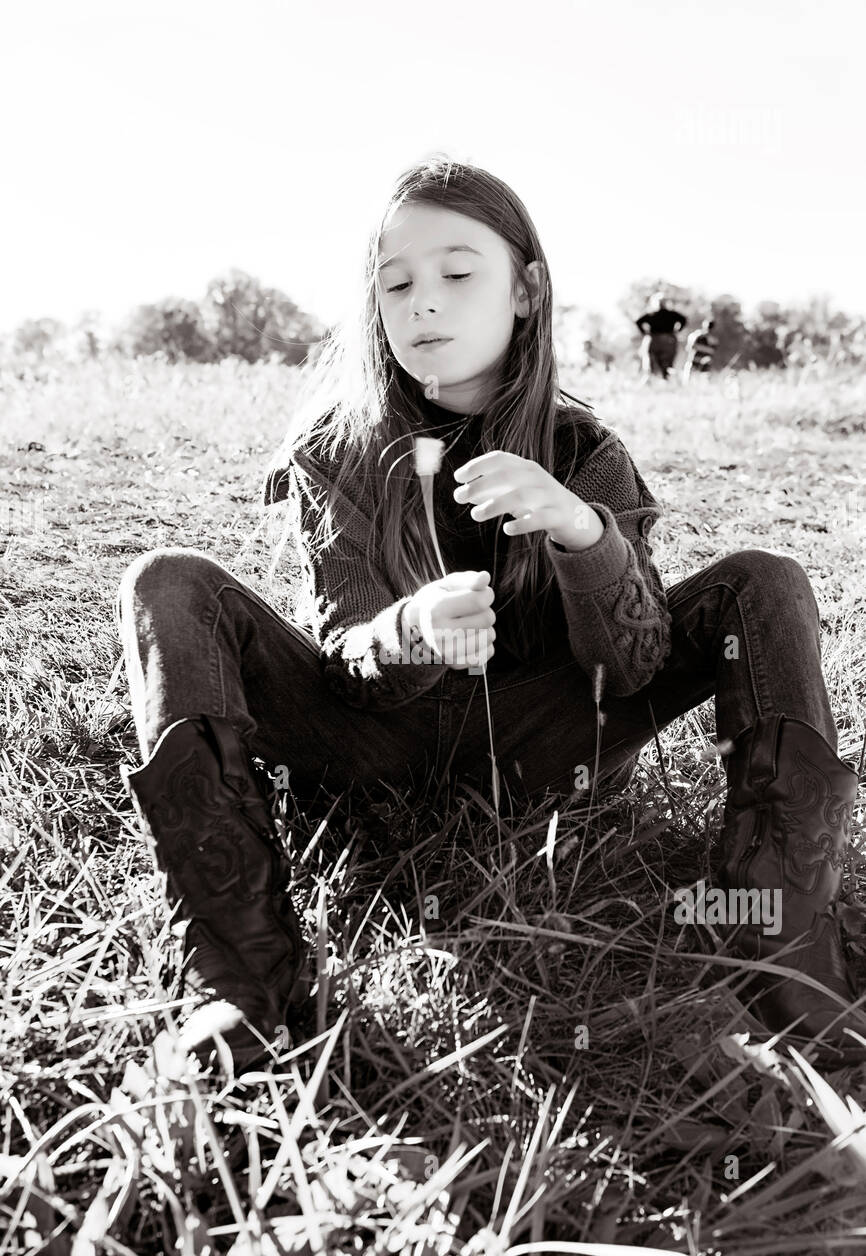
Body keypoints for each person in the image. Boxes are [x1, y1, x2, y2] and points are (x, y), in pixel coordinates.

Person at [116, 156, 866, 1071]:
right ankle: (246, 978)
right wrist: (413, 629)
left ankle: (781, 938)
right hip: (371, 747)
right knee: (169, 582)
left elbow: (630, 670)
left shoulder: (585, 451)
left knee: (766, 578)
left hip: (543, 745)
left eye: (458, 273)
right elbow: (345, 656)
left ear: (526, 290)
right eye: (395, 284)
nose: (423, 302)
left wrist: (585, 537)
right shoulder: (335, 450)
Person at [635, 293, 687, 380]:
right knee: (666, 364)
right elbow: (684, 320)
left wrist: (645, 333)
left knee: (653, 363)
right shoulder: (672, 314)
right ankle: (664, 380)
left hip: (654, 340)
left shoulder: (652, 314)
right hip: (668, 341)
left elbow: (639, 322)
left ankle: (654, 380)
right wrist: (677, 331)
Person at [683, 318, 718, 382]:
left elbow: (689, 347)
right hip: (694, 361)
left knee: (703, 380)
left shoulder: (696, 335)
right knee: (690, 379)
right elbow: (690, 347)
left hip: (704, 362)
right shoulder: (697, 336)